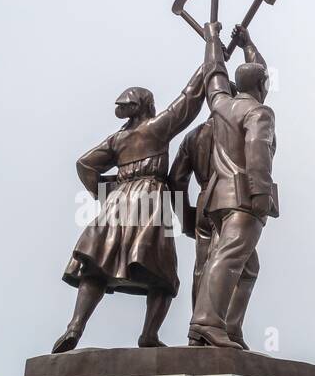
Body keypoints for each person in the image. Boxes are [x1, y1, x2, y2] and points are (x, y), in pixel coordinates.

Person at [53, 66, 206, 353]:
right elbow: (190, 98)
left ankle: (75, 325)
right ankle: (149, 334)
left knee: (96, 266)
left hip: (117, 201)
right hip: (149, 198)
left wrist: (104, 191)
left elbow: (84, 164)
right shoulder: (158, 127)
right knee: (164, 274)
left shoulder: (117, 140)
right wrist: (210, 62)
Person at [168, 24, 266, 350]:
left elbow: (214, 74)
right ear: (262, 86)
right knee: (229, 259)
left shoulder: (221, 105)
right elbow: (257, 151)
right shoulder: (257, 111)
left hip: (210, 204)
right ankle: (208, 323)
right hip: (242, 196)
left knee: (241, 266)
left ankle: (225, 327)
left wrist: (213, 39)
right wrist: (261, 193)